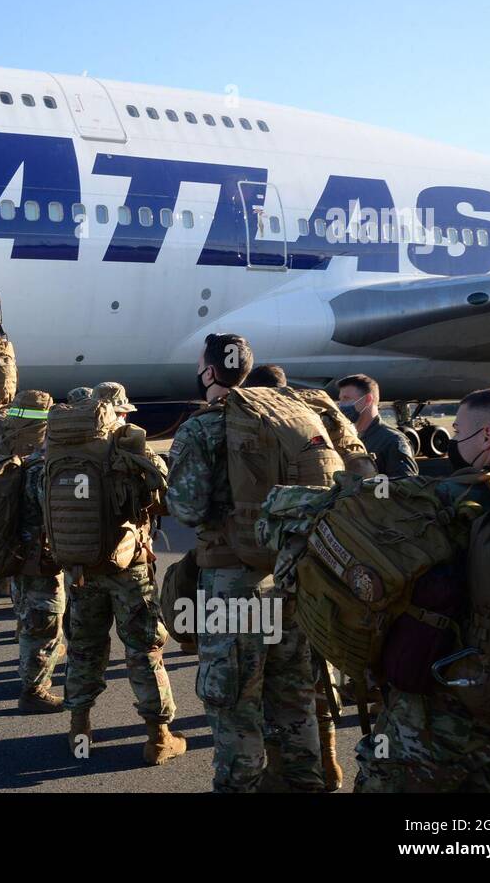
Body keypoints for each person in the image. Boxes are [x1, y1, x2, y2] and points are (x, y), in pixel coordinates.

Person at [355, 386, 490, 792]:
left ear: (485, 437)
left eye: (458, 430)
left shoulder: (460, 498)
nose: (453, 439)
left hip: (462, 698)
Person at [166, 333, 323, 792]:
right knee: (294, 697)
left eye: (201, 366)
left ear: (211, 373)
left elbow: (188, 508)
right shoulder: (288, 414)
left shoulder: (203, 426)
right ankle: (305, 782)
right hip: (293, 575)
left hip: (234, 584)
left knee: (234, 702)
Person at [60, 382, 187, 766]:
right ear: (115, 413)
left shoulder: (57, 453)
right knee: (144, 648)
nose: (130, 417)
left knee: (84, 648)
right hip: (128, 569)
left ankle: (79, 725)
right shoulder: (130, 452)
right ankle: (159, 736)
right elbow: (166, 497)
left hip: (81, 570)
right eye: (125, 412)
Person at [15, 435, 66, 713]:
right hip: (39, 560)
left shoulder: (25, 464)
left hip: (22, 555)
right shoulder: (42, 473)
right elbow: (54, 513)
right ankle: (33, 691)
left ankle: (31, 678)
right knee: (44, 624)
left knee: (30, 619)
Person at [336, 374, 419, 477]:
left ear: (368, 400)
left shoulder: (393, 441)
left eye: (346, 398)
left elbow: (405, 486)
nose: (341, 405)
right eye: (340, 400)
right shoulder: (350, 439)